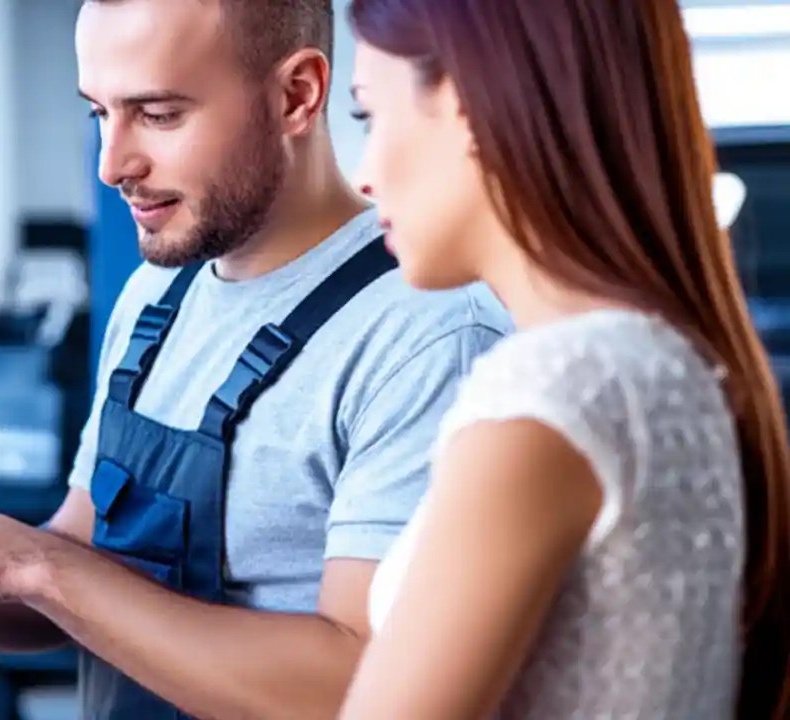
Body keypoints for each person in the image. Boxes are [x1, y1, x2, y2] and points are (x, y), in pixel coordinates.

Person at [0, 0, 508, 717]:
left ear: (297, 95)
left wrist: (29, 563)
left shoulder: (428, 334)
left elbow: (363, 682)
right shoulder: (155, 296)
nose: (113, 165)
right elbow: (82, 569)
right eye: (99, 113)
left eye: (159, 114)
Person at [337, 1, 790, 718]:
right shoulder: (668, 365)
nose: (363, 176)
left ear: (463, 106)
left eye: (368, 115)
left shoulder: (554, 388)